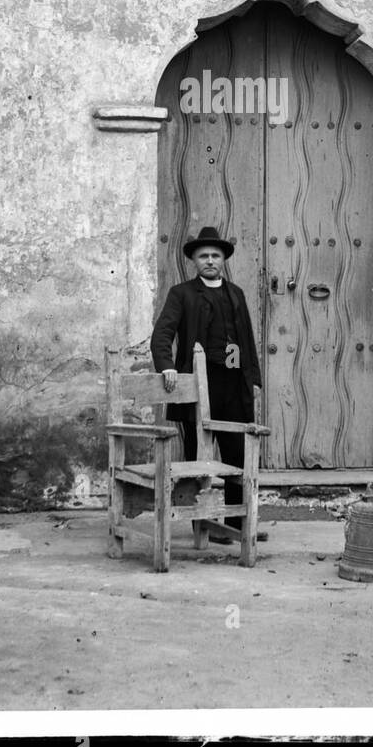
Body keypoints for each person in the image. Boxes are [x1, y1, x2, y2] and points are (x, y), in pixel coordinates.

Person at [150, 225, 268, 543]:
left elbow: (247, 341)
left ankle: (235, 523)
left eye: (216, 255)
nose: (210, 261)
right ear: (195, 261)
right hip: (199, 388)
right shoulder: (182, 294)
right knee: (196, 458)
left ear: (223, 260)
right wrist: (167, 368)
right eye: (204, 256)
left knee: (236, 456)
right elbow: (162, 334)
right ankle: (200, 522)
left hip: (233, 386)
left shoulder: (236, 294)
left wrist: (254, 379)